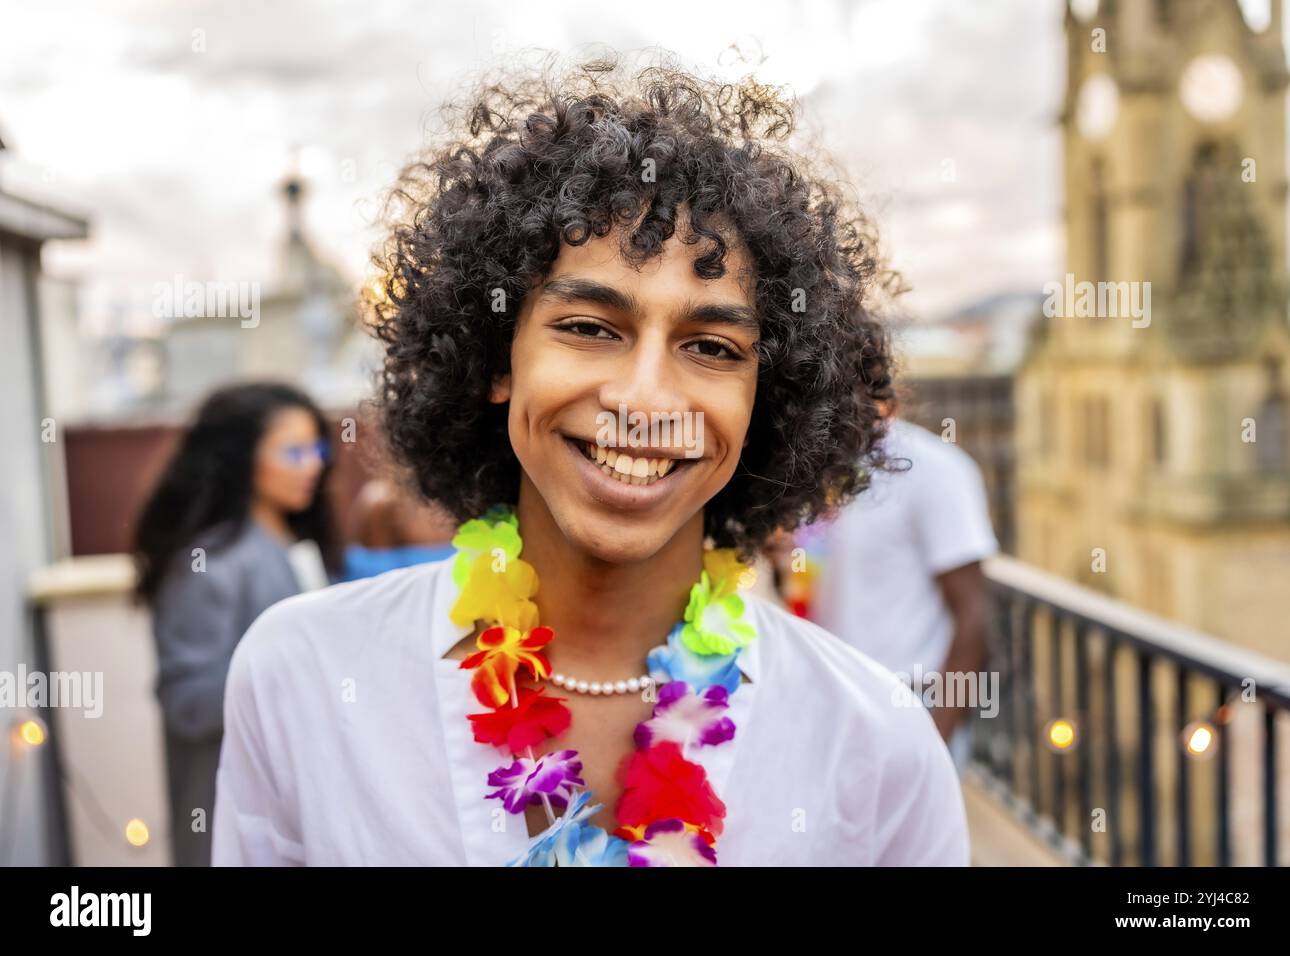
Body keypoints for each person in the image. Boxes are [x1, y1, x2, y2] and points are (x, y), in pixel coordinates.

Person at [212, 54, 970, 866]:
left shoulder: (879, 746)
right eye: (588, 328)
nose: (644, 401)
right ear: (499, 361)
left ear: (765, 403)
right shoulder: (301, 677)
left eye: (710, 346)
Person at [133, 381, 341, 866]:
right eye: (293, 451)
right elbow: (188, 702)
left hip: (297, 799)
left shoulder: (295, 539)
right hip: (230, 812)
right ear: (239, 458)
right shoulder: (209, 562)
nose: (313, 463)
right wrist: (301, 674)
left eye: (317, 448)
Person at [805, 414, 998, 772]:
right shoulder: (816, 464)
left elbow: (974, 619)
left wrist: (934, 747)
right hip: (834, 715)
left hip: (908, 714)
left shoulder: (934, 469)